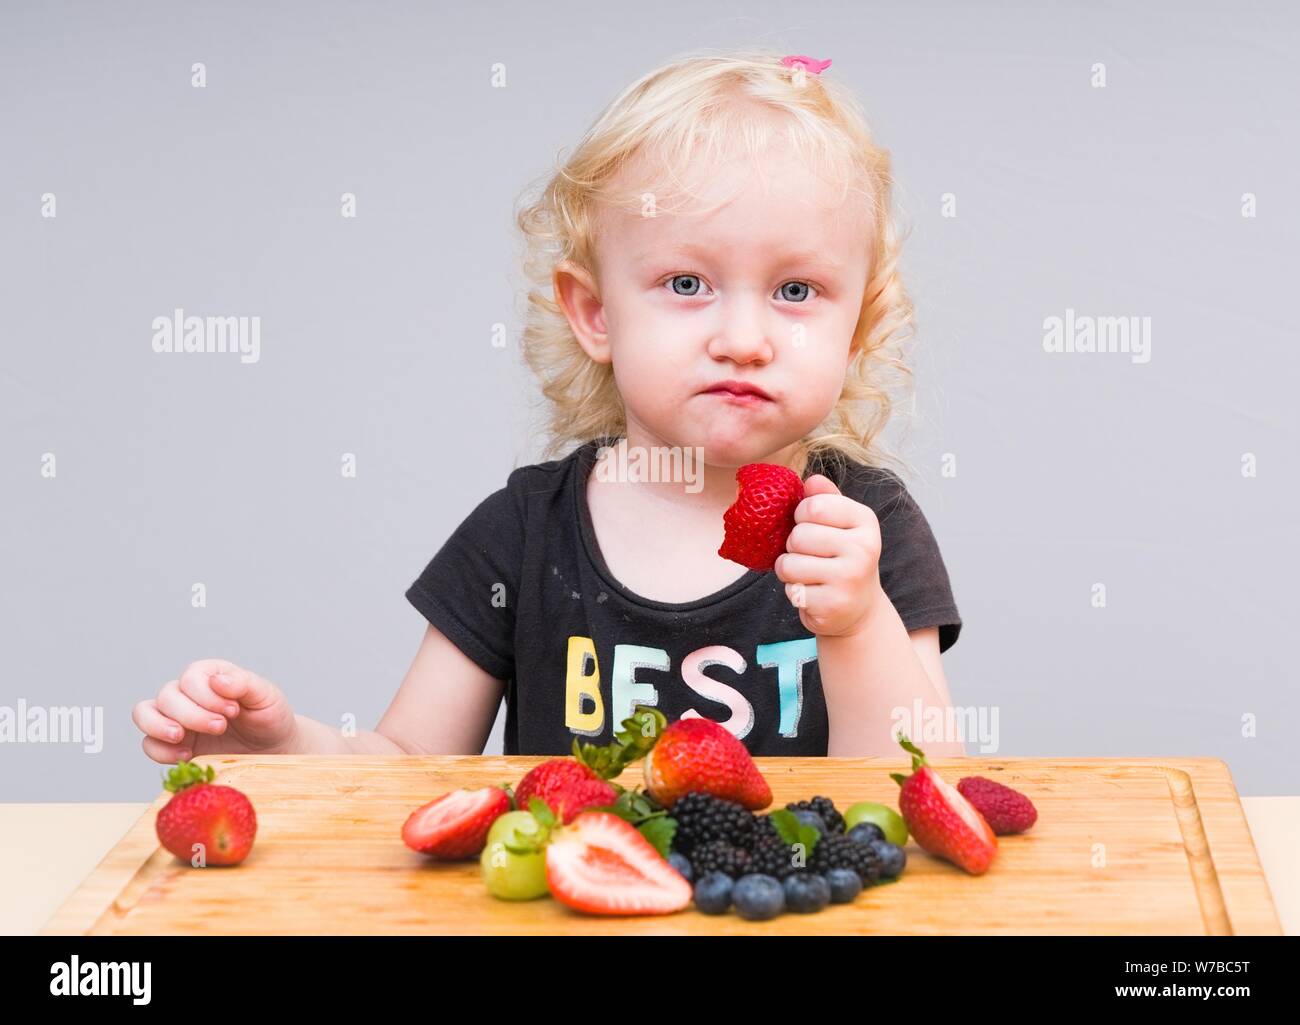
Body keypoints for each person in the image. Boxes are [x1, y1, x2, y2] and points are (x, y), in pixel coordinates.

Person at [133, 49, 964, 764]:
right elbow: (408, 765)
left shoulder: (867, 529)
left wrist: (858, 625)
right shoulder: (525, 531)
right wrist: (284, 755)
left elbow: (923, 787)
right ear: (595, 313)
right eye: (686, 283)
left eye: (796, 289)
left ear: (858, 324)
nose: (744, 337)